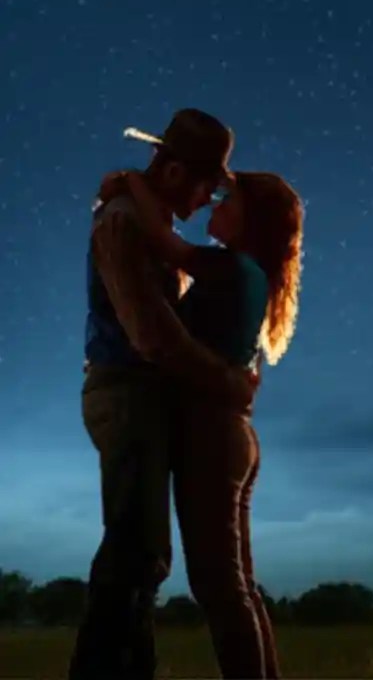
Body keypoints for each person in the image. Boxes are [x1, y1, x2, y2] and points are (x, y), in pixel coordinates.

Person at [95, 167, 304, 679]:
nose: (214, 207)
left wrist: (130, 183)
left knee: (220, 587)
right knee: (238, 584)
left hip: (212, 435)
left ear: (250, 218)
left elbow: (166, 243)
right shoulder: (249, 273)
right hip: (232, 434)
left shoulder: (229, 267)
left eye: (226, 200)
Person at [70, 108, 257, 680]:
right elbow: (153, 337)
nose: (206, 202)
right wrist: (225, 380)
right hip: (127, 395)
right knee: (135, 552)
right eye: (207, 187)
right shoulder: (126, 222)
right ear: (175, 173)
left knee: (143, 555)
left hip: (145, 398)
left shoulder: (150, 223)